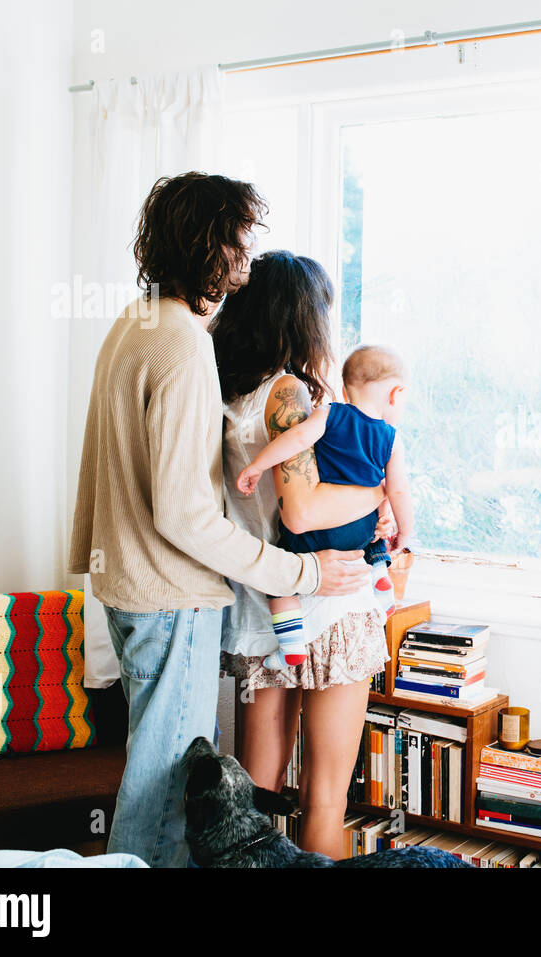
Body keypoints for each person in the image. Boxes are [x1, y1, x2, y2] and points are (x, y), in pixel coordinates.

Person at [67, 174, 382, 868]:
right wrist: (304, 567)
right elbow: (185, 513)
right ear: (210, 244)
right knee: (165, 787)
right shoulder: (183, 346)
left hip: (128, 585)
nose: (246, 256)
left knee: (206, 789)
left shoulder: (136, 322)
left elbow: (101, 458)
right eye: (239, 239)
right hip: (171, 594)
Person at [212, 250, 400, 859]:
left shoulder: (232, 395)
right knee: (325, 802)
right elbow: (302, 510)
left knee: (255, 804)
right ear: (303, 317)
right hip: (325, 600)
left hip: (265, 603)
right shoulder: (288, 393)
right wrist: (381, 492)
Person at [237, 343, 415, 669]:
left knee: (280, 575)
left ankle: (290, 645)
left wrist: (257, 466)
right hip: (361, 531)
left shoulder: (330, 413)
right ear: (395, 394)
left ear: (345, 390)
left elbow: (296, 439)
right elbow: (398, 491)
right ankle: (380, 575)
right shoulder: (391, 438)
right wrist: (405, 532)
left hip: (320, 532)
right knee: (377, 533)